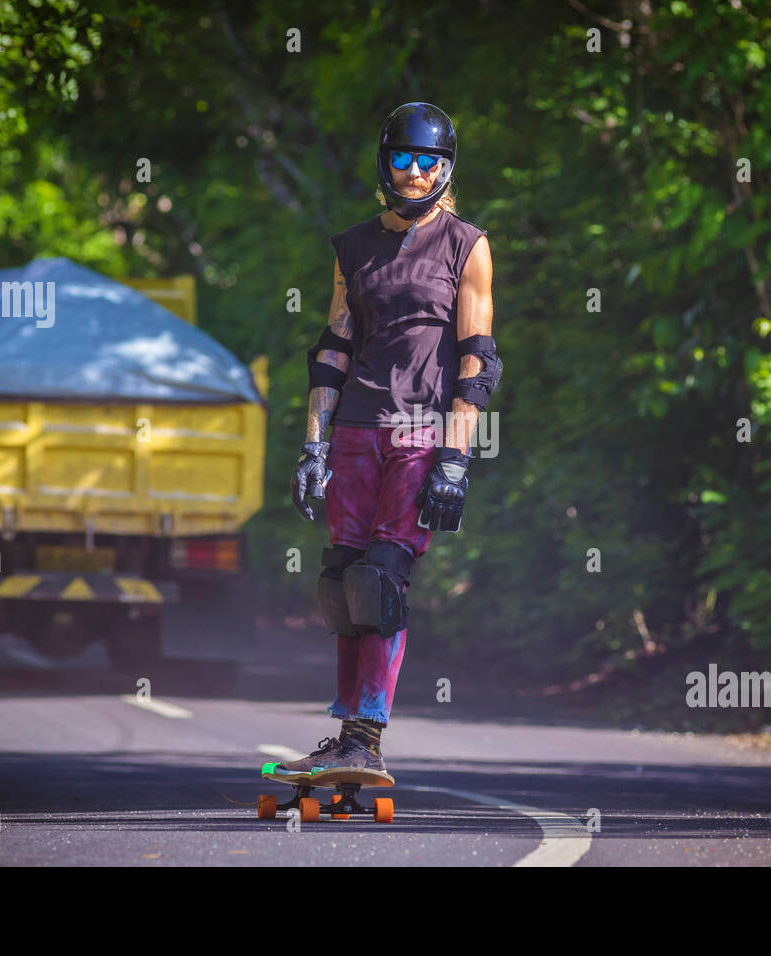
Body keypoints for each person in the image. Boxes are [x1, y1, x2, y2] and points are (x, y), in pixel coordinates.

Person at [276, 102, 503, 781]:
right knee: (342, 584)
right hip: (353, 432)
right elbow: (333, 350)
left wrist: (456, 460)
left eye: (428, 159)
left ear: (447, 167)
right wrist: (313, 446)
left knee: (380, 579)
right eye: (403, 158)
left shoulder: (466, 245)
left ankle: (366, 736)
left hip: (419, 433)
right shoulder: (352, 246)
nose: (415, 171)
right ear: (384, 162)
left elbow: (477, 358)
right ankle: (344, 735)